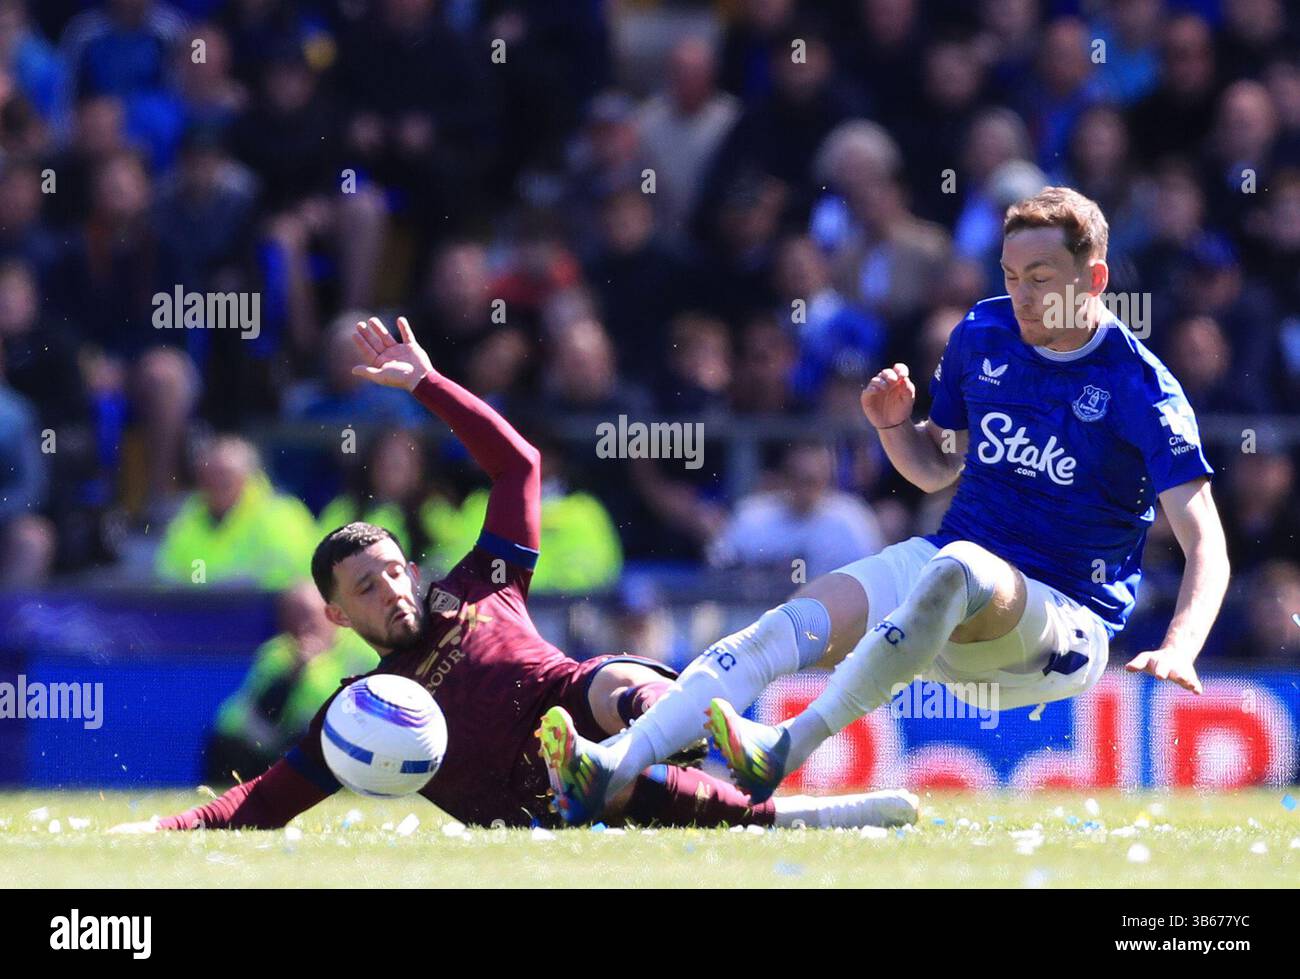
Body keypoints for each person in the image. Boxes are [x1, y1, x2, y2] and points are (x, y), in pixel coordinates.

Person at [540, 187, 1230, 821]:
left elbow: (1207, 544)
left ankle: (786, 745)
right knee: (783, 628)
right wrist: (895, 427)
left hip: (1060, 626)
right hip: (943, 587)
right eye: (1011, 276)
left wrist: (1180, 645)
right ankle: (609, 765)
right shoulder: (983, 334)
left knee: (960, 568)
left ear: (1094, 279)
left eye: (1041, 279)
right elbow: (936, 469)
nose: (1021, 296)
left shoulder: (1143, 389)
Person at [112, 317, 917, 832]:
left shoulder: (481, 584)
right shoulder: (359, 711)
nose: (390, 590)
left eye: (391, 571)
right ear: (337, 615)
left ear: (411, 567)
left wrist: (428, 385)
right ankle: (792, 810)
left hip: (591, 716)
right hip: (538, 807)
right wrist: (156, 832)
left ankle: (712, 736)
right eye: (365, 588)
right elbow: (258, 804)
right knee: (601, 787)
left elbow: (518, 466)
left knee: (604, 684)